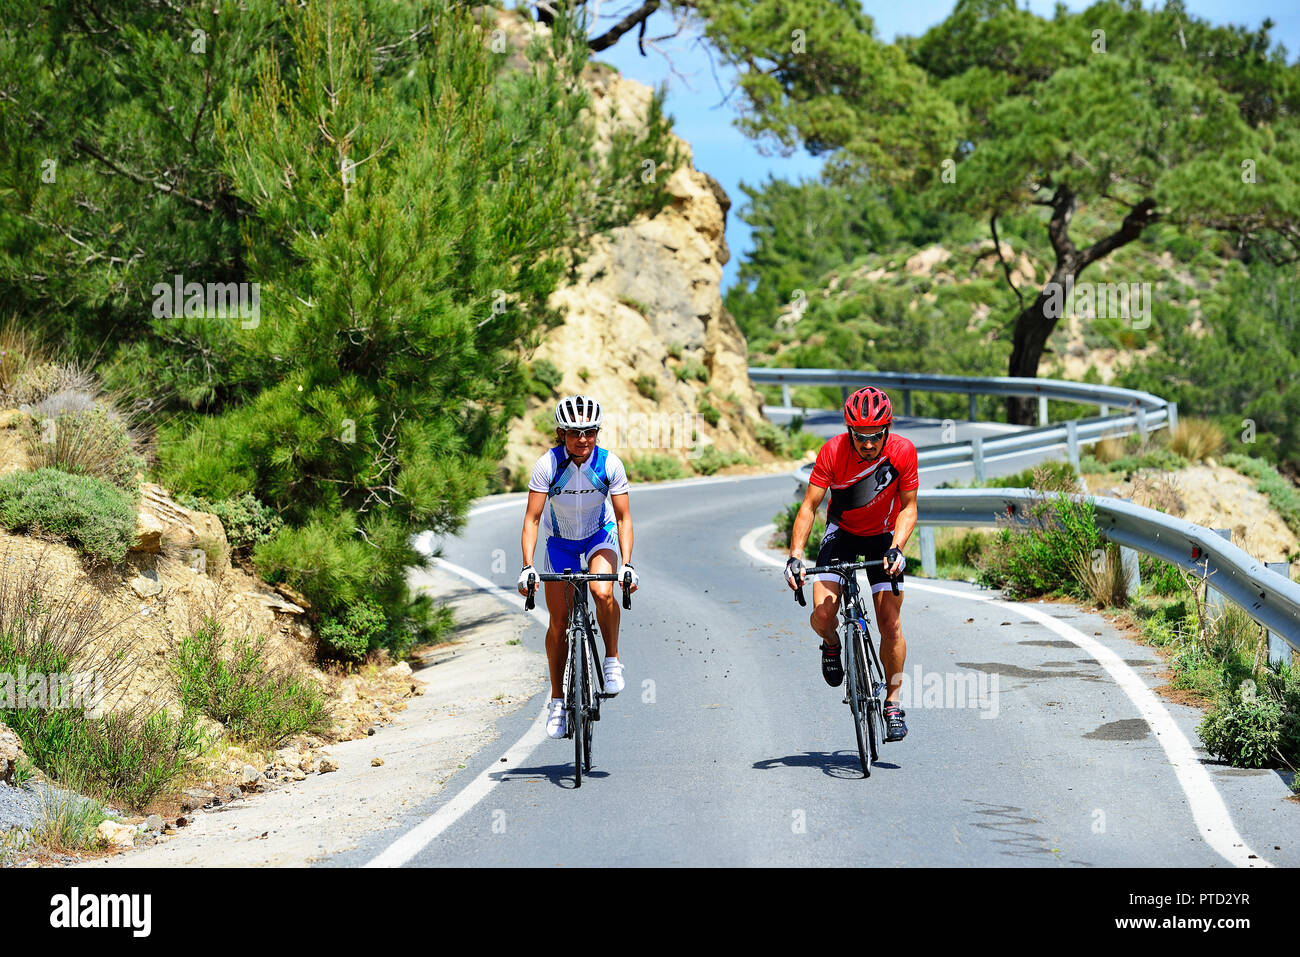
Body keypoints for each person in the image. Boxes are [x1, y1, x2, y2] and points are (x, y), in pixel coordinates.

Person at [783, 386, 918, 742]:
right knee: (824, 615)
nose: (869, 444)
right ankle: (831, 643)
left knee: (889, 624)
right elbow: (810, 507)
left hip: (883, 537)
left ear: (887, 430)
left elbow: (908, 507)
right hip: (841, 533)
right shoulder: (832, 452)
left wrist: (898, 547)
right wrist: (796, 555)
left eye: (875, 437)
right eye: (861, 437)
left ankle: (892, 703)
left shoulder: (903, 452)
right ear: (849, 431)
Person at [517, 395, 638, 739]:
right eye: (573, 433)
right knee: (558, 624)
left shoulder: (610, 464)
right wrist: (527, 567)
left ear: (597, 432)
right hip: (561, 544)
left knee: (603, 590)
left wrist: (627, 565)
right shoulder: (548, 465)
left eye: (589, 432)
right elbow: (533, 519)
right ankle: (557, 701)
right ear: (561, 433)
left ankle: (612, 658)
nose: (582, 439)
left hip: (599, 535)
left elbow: (624, 518)